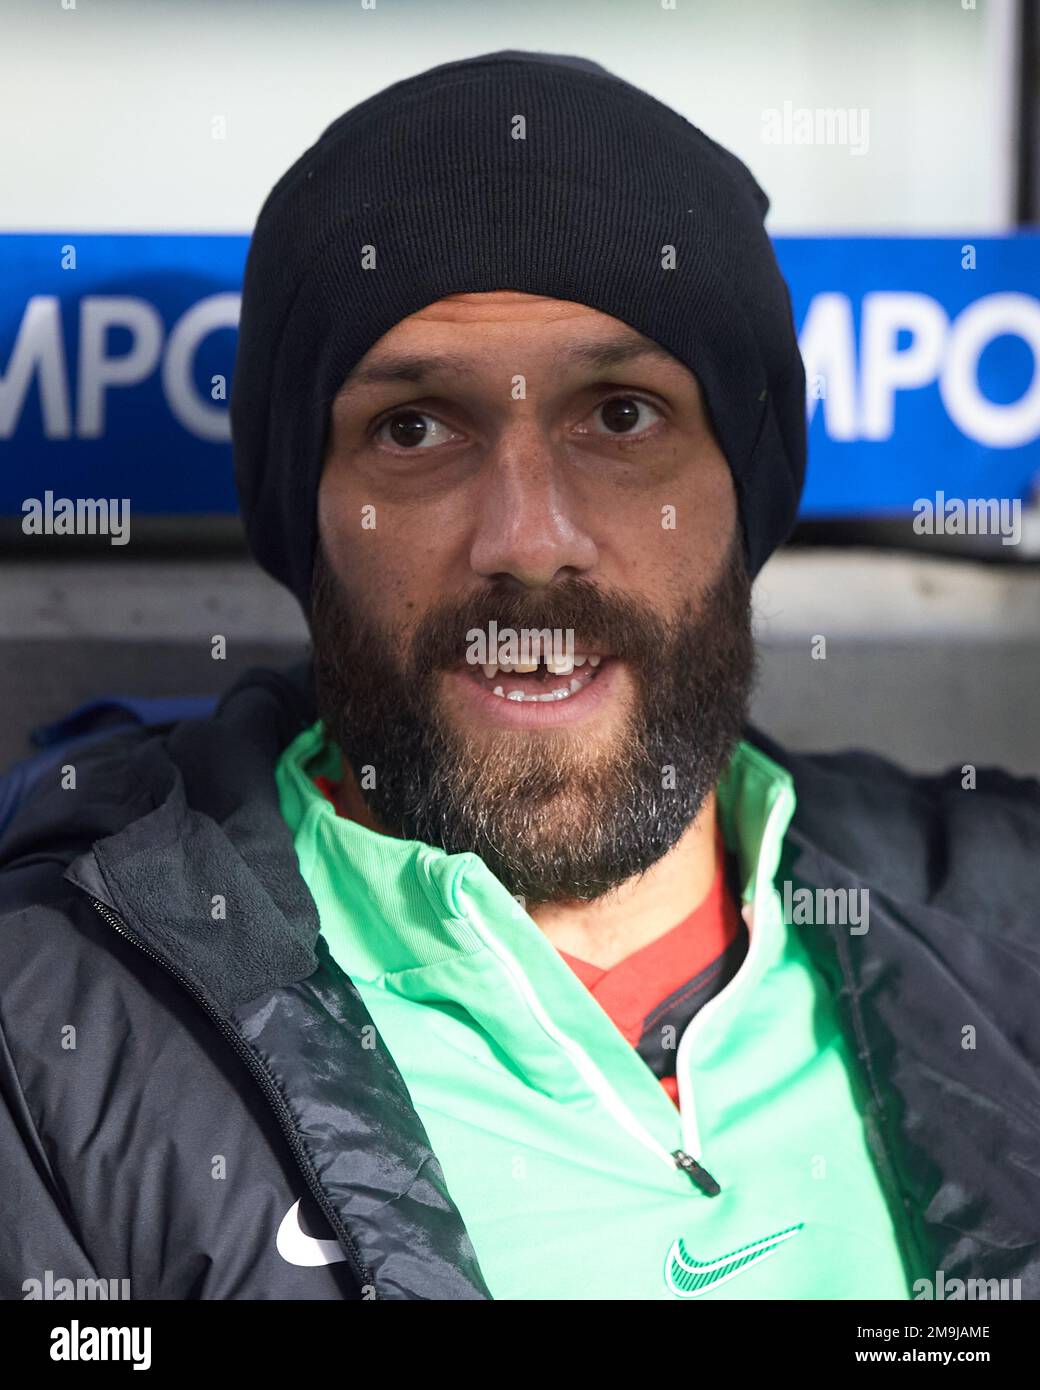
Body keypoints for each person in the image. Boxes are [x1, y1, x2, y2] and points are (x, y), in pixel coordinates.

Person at [1, 49, 1038, 1303]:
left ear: (745, 487)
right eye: (414, 428)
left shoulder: (1005, 933)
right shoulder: (47, 1046)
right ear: (305, 517)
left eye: (619, 415)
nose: (526, 538)